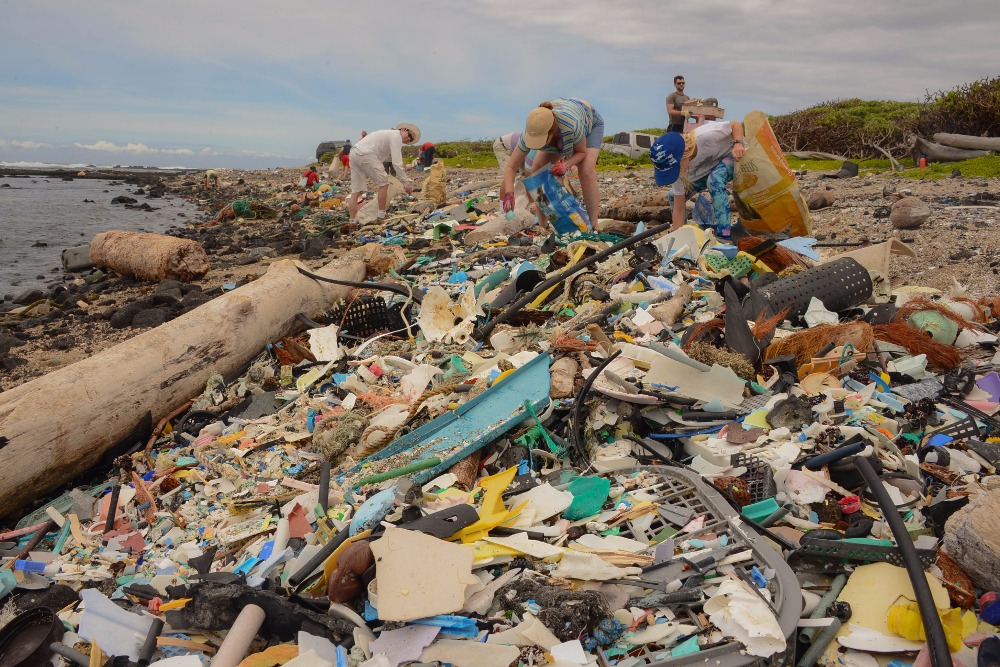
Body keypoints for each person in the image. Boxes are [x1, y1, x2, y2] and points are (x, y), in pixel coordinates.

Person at [502, 98, 604, 228]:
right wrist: (509, 193)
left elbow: (581, 152)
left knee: (586, 170)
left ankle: (594, 225)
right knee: (537, 169)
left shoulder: (571, 127)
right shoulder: (530, 132)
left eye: (541, 140)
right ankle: (543, 225)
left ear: (552, 132)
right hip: (561, 125)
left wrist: (566, 165)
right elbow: (511, 166)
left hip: (589, 120)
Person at [650, 121, 748, 239]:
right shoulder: (679, 173)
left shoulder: (705, 135)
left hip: (735, 155)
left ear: (685, 151)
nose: (675, 173)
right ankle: (684, 234)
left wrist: (738, 144)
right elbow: (679, 208)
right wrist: (678, 238)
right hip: (709, 167)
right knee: (673, 195)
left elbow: (735, 125)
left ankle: (724, 234)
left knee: (714, 180)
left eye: (675, 168)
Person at [348, 123, 420, 224]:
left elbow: (378, 158)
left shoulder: (388, 134)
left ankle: (352, 222)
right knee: (384, 183)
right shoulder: (396, 136)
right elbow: (397, 163)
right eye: (409, 135)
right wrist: (406, 184)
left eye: (411, 139)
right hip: (365, 153)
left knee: (356, 191)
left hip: (354, 153)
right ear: (403, 129)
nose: (408, 139)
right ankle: (381, 215)